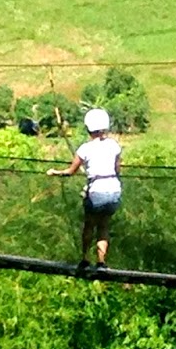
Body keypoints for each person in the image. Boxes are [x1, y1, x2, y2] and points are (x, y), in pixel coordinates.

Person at [48, 108, 122, 273]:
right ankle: (101, 263)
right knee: (104, 226)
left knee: (89, 225)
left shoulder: (85, 149)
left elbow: (70, 171)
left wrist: (55, 172)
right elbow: (117, 169)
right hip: (114, 191)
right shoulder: (114, 145)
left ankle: (85, 259)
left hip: (96, 192)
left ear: (88, 128)